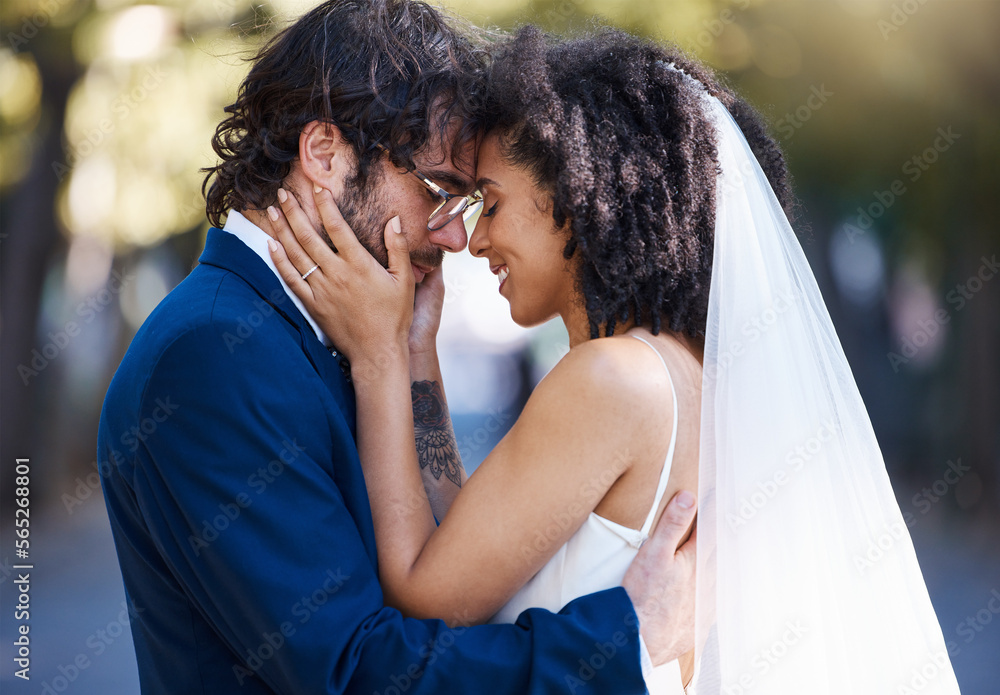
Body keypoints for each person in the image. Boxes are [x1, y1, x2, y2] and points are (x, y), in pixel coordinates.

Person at [268, 27, 961, 694]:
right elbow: (466, 546)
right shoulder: (684, 373)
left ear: (578, 200)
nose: (474, 243)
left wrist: (378, 353)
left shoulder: (610, 378)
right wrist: (419, 346)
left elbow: (426, 598)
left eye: (494, 204)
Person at [98, 3, 698, 693]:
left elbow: (453, 561)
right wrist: (626, 640)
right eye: (437, 192)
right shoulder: (214, 354)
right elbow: (355, 669)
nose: (452, 239)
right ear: (324, 154)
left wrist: (410, 353)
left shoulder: (332, 331)